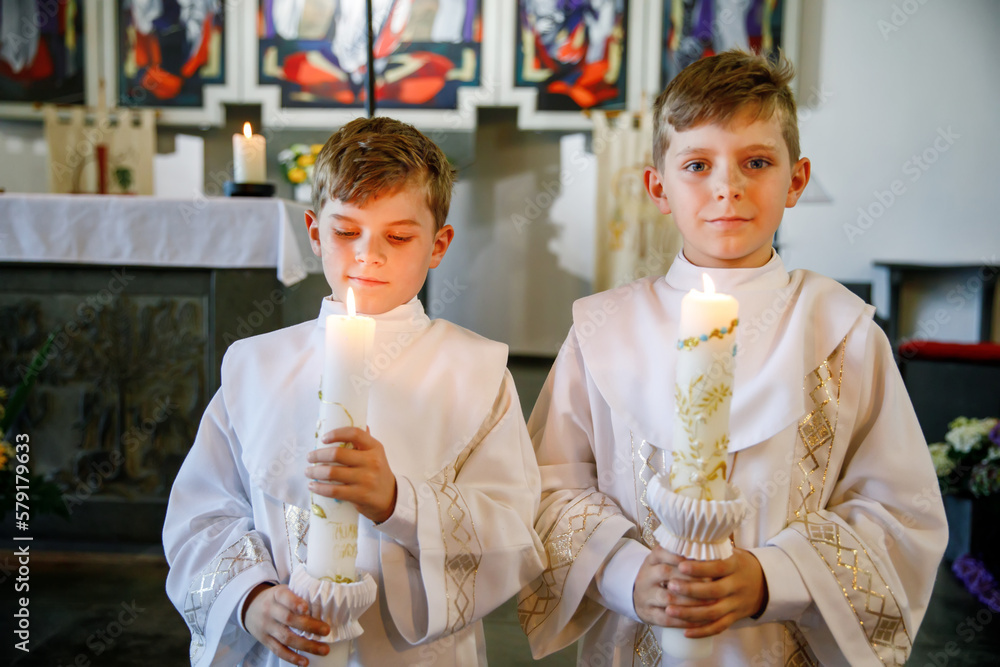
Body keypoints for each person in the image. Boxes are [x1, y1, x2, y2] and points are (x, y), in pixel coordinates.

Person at [517, 50, 947, 666]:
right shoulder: (602, 329)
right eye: (697, 164)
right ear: (657, 186)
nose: (728, 187)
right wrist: (628, 573)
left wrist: (775, 577)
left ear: (795, 180)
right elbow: (548, 489)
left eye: (757, 162)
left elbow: (903, 513)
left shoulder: (840, 332)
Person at [163, 116, 545, 666]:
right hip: (283, 646)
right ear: (315, 233)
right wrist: (249, 599)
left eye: (399, 236)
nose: (369, 255)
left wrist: (398, 501)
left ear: (438, 245)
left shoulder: (477, 372)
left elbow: (511, 529)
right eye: (347, 232)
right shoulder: (254, 366)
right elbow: (200, 514)